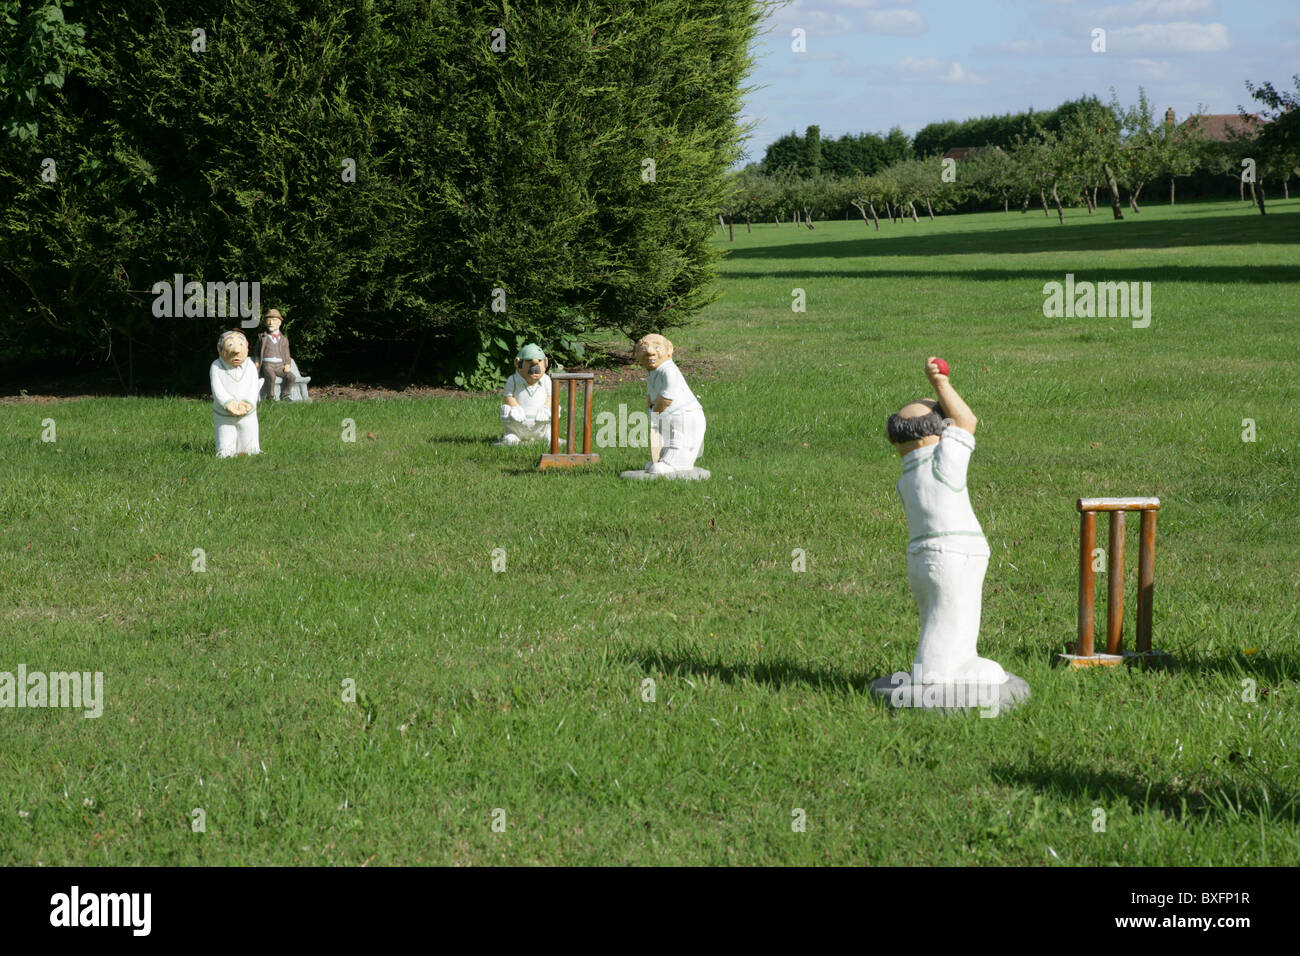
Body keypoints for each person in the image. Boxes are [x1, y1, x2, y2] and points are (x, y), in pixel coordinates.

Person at [887, 357, 1006, 685]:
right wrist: (940, 384)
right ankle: (934, 677)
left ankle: (959, 663)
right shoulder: (942, 462)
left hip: (929, 557)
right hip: (953, 556)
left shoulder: (907, 476)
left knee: (944, 618)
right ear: (935, 430)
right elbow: (967, 421)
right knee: (949, 617)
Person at [635, 333, 705, 474]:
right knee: (666, 439)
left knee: (679, 440)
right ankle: (663, 460)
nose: (650, 351)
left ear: (669, 350)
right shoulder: (652, 371)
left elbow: (668, 397)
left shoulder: (668, 370)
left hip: (685, 415)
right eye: (644, 348)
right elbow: (651, 392)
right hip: (667, 415)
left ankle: (675, 463)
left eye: (656, 347)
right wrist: (651, 405)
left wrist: (655, 411)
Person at [211, 330, 262, 457]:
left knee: (250, 447)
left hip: (248, 414)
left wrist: (249, 402)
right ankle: (226, 451)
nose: (236, 351)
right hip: (224, 414)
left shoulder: (250, 365)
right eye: (230, 345)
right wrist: (228, 403)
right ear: (220, 349)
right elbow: (217, 389)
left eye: (241, 345)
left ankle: (249, 450)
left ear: (247, 347)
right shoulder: (216, 367)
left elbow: (253, 386)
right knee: (225, 446)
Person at [496, 343, 554, 446]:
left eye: (540, 362)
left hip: (541, 424)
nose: (535, 368)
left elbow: (550, 396)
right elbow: (508, 396)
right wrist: (516, 407)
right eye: (528, 362)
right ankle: (513, 435)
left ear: (546, 362)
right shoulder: (513, 380)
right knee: (506, 409)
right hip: (518, 424)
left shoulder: (546, 380)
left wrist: (545, 408)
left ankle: (547, 435)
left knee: (555, 409)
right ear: (518, 363)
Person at [257, 308, 296, 400]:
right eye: (268, 320)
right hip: (268, 365)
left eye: (274, 320)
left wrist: (287, 364)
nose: (271, 323)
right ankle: (270, 397)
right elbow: (256, 351)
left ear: (279, 322)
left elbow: (287, 353)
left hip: (279, 366)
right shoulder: (262, 337)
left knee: (291, 377)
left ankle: (285, 395)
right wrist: (256, 361)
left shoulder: (284, 339)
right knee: (271, 377)